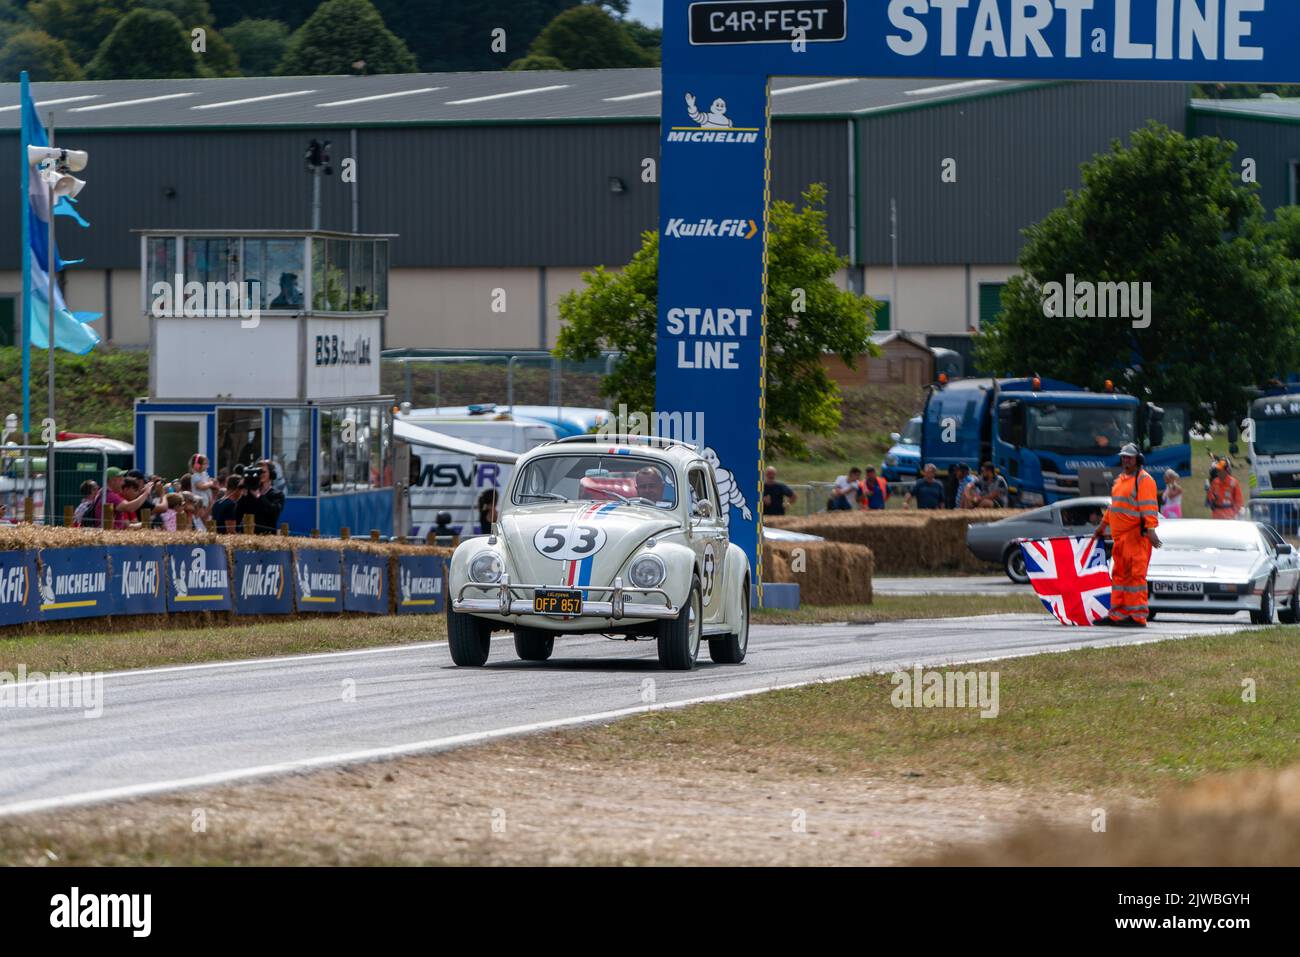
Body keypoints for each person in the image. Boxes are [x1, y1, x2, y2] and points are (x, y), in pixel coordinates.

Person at [1090, 443, 1162, 627]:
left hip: (1136, 537)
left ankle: (1137, 617)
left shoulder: (1144, 480)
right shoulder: (1120, 480)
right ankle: (1118, 615)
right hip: (1120, 539)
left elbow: (1149, 507)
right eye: (1123, 457)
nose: (1125, 460)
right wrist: (1102, 526)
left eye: (1129, 457)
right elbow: (1113, 508)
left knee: (1136, 578)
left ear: (1138, 459)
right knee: (1119, 577)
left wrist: (1151, 530)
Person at [235, 461, 285, 533]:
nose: (260, 474)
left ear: (271, 474)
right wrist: (243, 495)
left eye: (263, 472)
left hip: (267, 535)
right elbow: (237, 515)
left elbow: (274, 512)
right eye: (258, 472)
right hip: (248, 535)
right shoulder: (250, 493)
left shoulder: (277, 494)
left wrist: (258, 496)